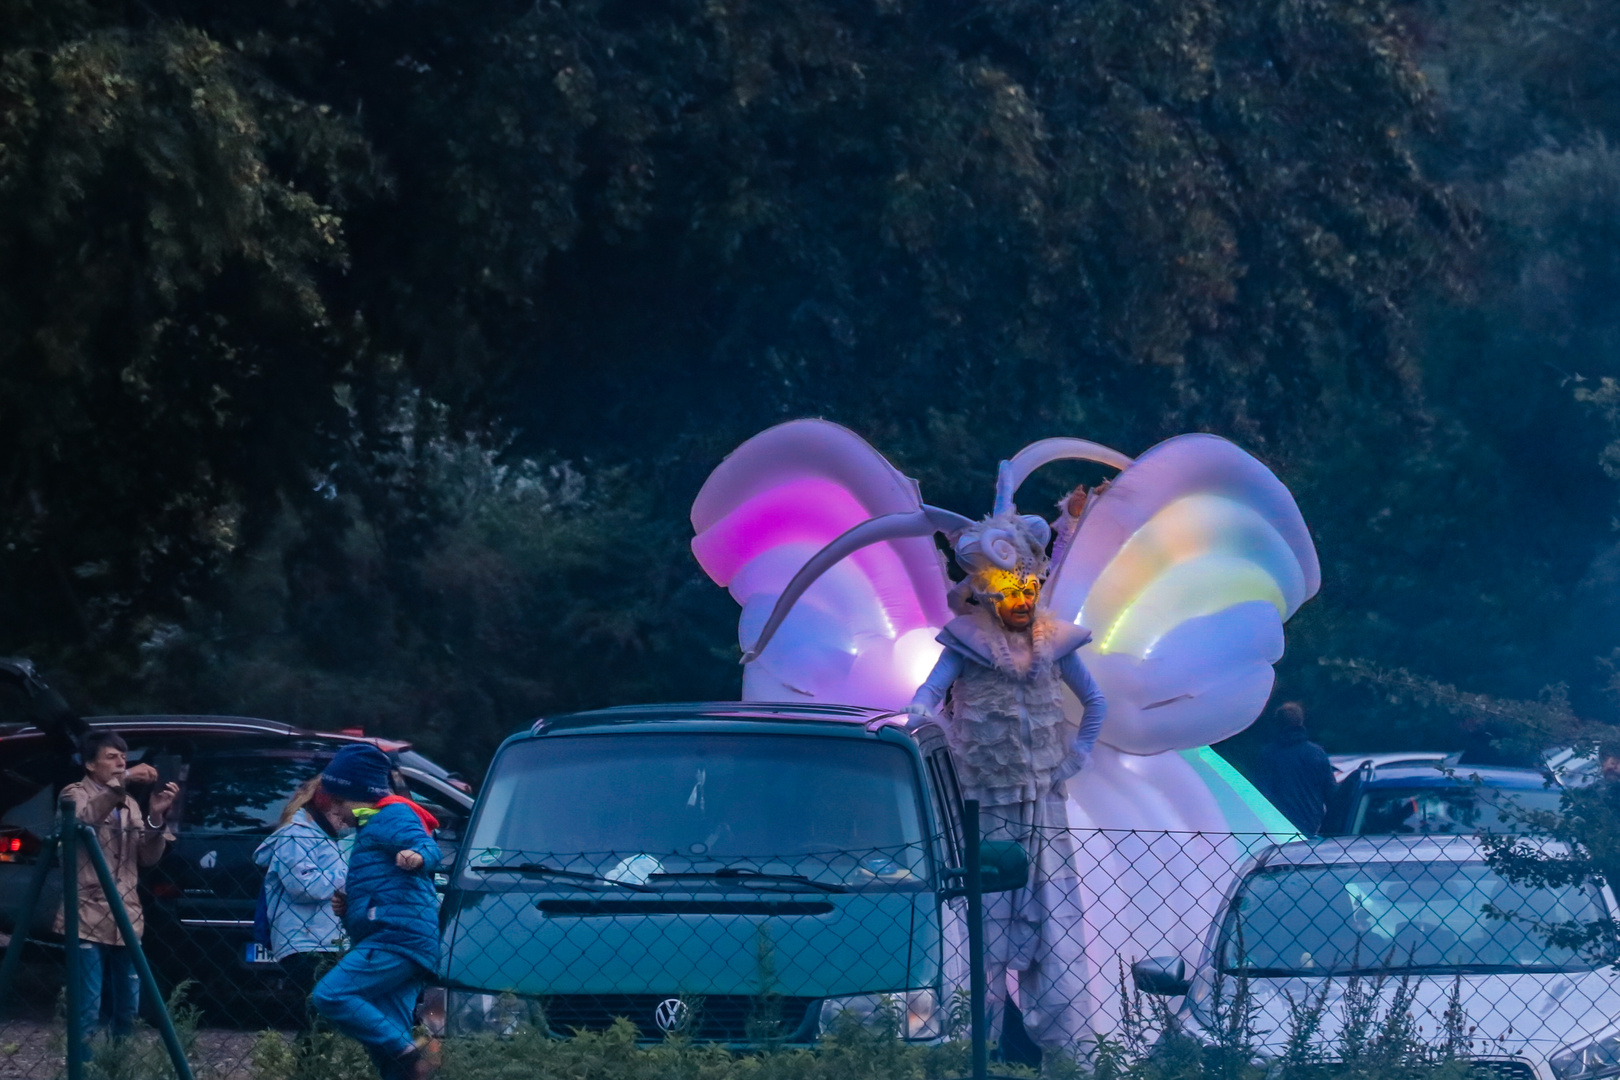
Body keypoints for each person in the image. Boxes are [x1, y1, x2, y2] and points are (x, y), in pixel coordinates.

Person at [907, 512, 1105, 1053]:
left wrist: (1075, 757)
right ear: (989, 594)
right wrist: (919, 719)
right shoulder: (967, 643)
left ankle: (1070, 1057)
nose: (1020, 601)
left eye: (1027, 590)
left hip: (1042, 806)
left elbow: (1095, 701)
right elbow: (929, 692)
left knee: (1056, 925)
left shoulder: (1055, 644)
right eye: (1009, 592)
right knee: (980, 929)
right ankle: (967, 1052)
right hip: (983, 804)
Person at [310, 744, 441, 1080]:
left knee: (331, 994)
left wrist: (417, 858)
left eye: (339, 801)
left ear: (362, 796)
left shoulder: (393, 815)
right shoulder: (371, 827)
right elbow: (380, 890)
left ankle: (410, 1052)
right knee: (387, 1050)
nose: (334, 810)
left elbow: (428, 847)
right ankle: (405, 1062)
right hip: (397, 937)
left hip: (395, 939)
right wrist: (347, 908)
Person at [55, 731, 179, 1043]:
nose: (121, 763)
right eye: (111, 757)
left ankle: (118, 1063)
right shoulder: (73, 794)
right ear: (89, 764)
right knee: (88, 1007)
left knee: (128, 1009)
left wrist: (155, 817)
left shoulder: (130, 804)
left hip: (127, 915)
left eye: (123, 757)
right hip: (86, 914)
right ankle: (84, 1065)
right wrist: (124, 780)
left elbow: (147, 858)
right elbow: (83, 820)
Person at [253, 775, 348, 998]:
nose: (345, 820)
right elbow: (304, 886)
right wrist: (352, 877)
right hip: (306, 941)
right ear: (325, 805)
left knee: (325, 1005)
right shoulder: (296, 835)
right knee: (322, 1003)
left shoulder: (323, 836)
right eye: (340, 813)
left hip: (322, 939)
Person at [1253, 701, 1336, 835]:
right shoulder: (1316, 753)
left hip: (1279, 828)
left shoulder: (1268, 755)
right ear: (1301, 722)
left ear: (1277, 724)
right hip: (1313, 827)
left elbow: (1262, 796)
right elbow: (1331, 795)